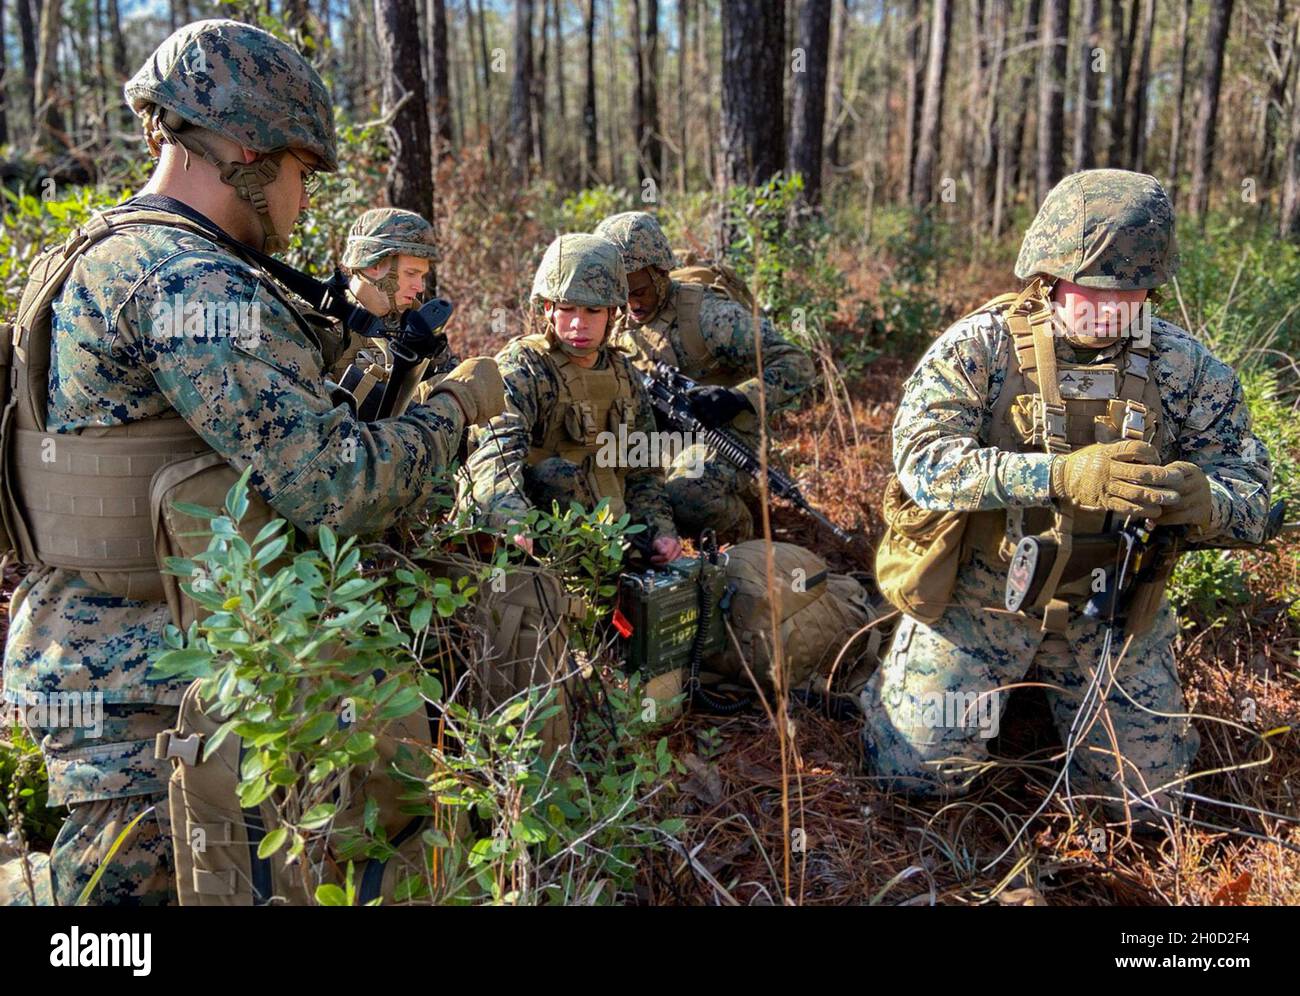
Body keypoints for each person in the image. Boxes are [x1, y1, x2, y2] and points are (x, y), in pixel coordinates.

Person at [0, 18, 504, 906]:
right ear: (243, 147)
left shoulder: (108, 251)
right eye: (302, 172)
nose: (304, 200)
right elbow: (337, 484)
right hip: (152, 691)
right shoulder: (187, 284)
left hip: (105, 658)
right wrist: (454, 410)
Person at [862, 169, 1272, 824]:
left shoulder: (1185, 368)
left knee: (1144, 808)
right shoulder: (981, 348)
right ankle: (913, 684)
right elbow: (922, 464)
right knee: (915, 778)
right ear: (1050, 271)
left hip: (1108, 612)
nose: (1111, 306)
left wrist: (1208, 501)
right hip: (983, 598)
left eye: (1131, 290)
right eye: (1094, 286)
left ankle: (1050, 704)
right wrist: (1055, 477)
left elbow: (1255, 491)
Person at [593, 211, 816, 543]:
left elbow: (797, 363)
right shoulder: (611, 320)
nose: (630, 302)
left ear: (660, 273)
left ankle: (742, 541)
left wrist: (738, 397)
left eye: (638, 290)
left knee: (687, 494)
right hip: (655, 437)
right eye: (618, 290)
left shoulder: (711, 316)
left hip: (724, 434)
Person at [467, 233, 682, 565]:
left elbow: (644, 472)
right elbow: (495, 452)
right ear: (549, 309)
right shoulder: (525, 366)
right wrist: (511, 517)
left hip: (617, 542)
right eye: (567, 309)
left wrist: (661, 531)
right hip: (542, 545)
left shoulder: (623, 373)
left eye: (593, 310)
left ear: (613, 313)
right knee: (556, 473)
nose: (579, 324)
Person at [333, 208, 460, 419]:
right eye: (411, 274)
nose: (419, 287)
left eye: (422, 276)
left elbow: (451, 378)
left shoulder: (415, 320)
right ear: (374, 265)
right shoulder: (321, 324)